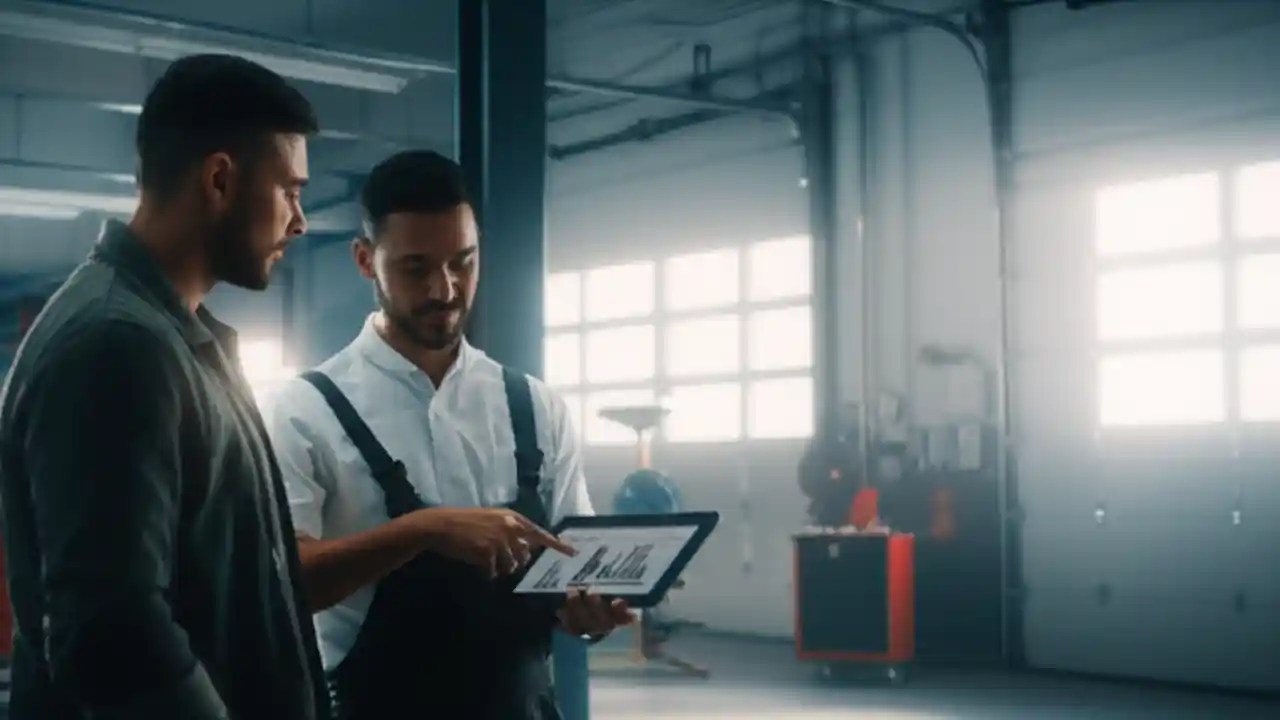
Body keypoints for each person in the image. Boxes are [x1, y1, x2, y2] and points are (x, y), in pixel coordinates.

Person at [0, 54, 329, 720]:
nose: (300, 221)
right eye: (290, 190)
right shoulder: (115, 346)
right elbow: (114, 632)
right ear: (219, 179)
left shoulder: (181, 340)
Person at [262, 150, 633, 720]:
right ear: (366, 261)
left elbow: (571, 568)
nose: (445, 288)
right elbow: (281, 587)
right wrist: (422, 530)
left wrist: (589, 613)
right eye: (416, 268)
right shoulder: (303, 411)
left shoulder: (534, 407)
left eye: (463, 262)